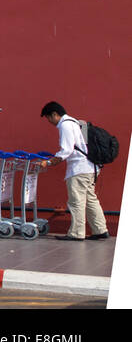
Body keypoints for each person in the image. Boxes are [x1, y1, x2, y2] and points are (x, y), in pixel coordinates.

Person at [42, 101, 110, 241]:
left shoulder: (65, 125)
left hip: (79, 169)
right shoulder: (77, 122)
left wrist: (48, 162)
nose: (49, 121)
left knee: (76, 201)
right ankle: (100, 229)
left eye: (48, 118)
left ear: (54, 114)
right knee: (91, 200)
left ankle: (76, 233)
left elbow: (66, 150)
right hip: (91, 167)